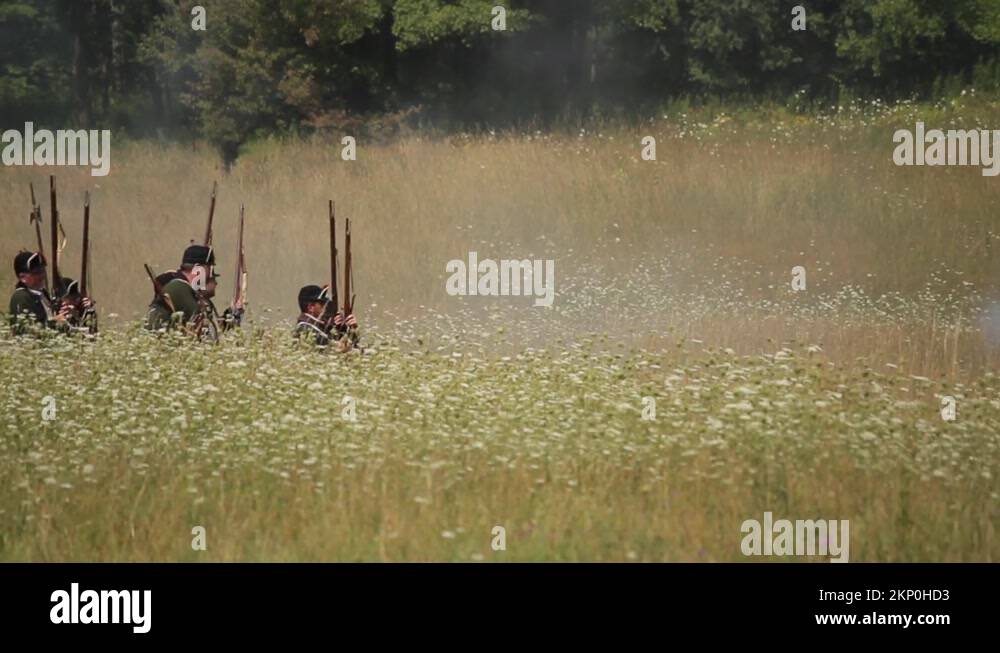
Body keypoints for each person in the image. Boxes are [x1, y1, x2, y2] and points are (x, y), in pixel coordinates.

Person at [145, 245, 218, 335]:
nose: (211, 276)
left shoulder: (183, 287)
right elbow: (201, 323)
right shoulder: (179, 287)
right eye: (209, 270)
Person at [294, 284, 358, 349]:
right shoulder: (305, 329)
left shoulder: (319, 326)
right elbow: (341, 349)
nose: (326, 306)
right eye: (322, 303)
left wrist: (345, 329)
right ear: (311, 307)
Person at [8, 251, 56, 334]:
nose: (42, 275)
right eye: (36, 273)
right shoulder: (21, 297)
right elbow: (24, 330)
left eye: (42, 271)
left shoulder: (42, 293)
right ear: (23, 277)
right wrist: (54, 321)